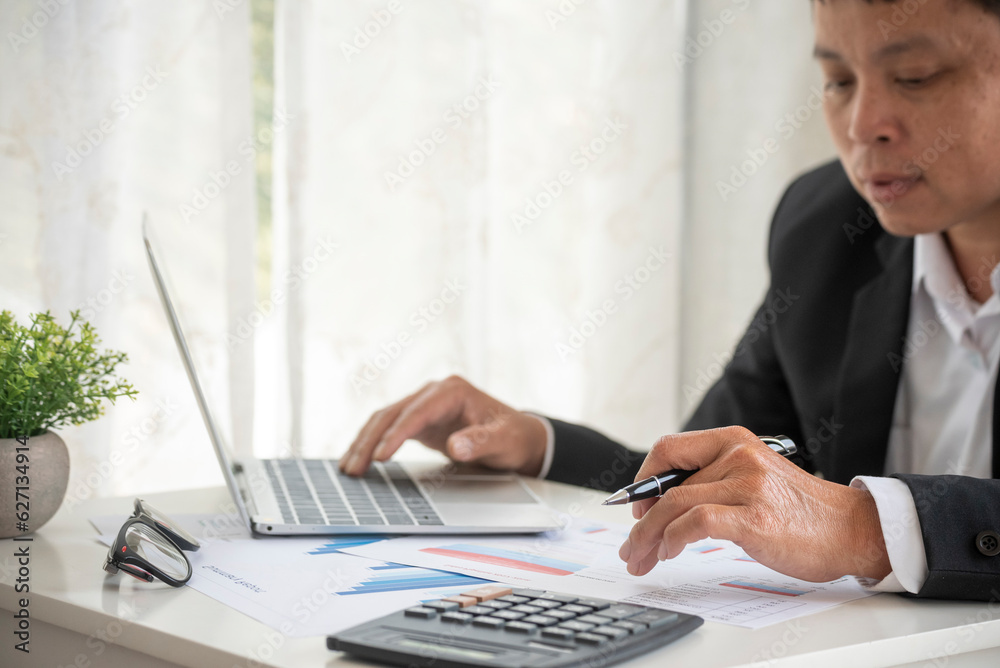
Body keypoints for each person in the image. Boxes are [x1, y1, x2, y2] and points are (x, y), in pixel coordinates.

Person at [340, 0, 1000, 601]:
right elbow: (710, 478)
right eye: (838, 80)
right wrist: (538, 448)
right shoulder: (826, 229)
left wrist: (864, 528)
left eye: (915, 76)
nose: (862, 125)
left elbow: (831, 521)